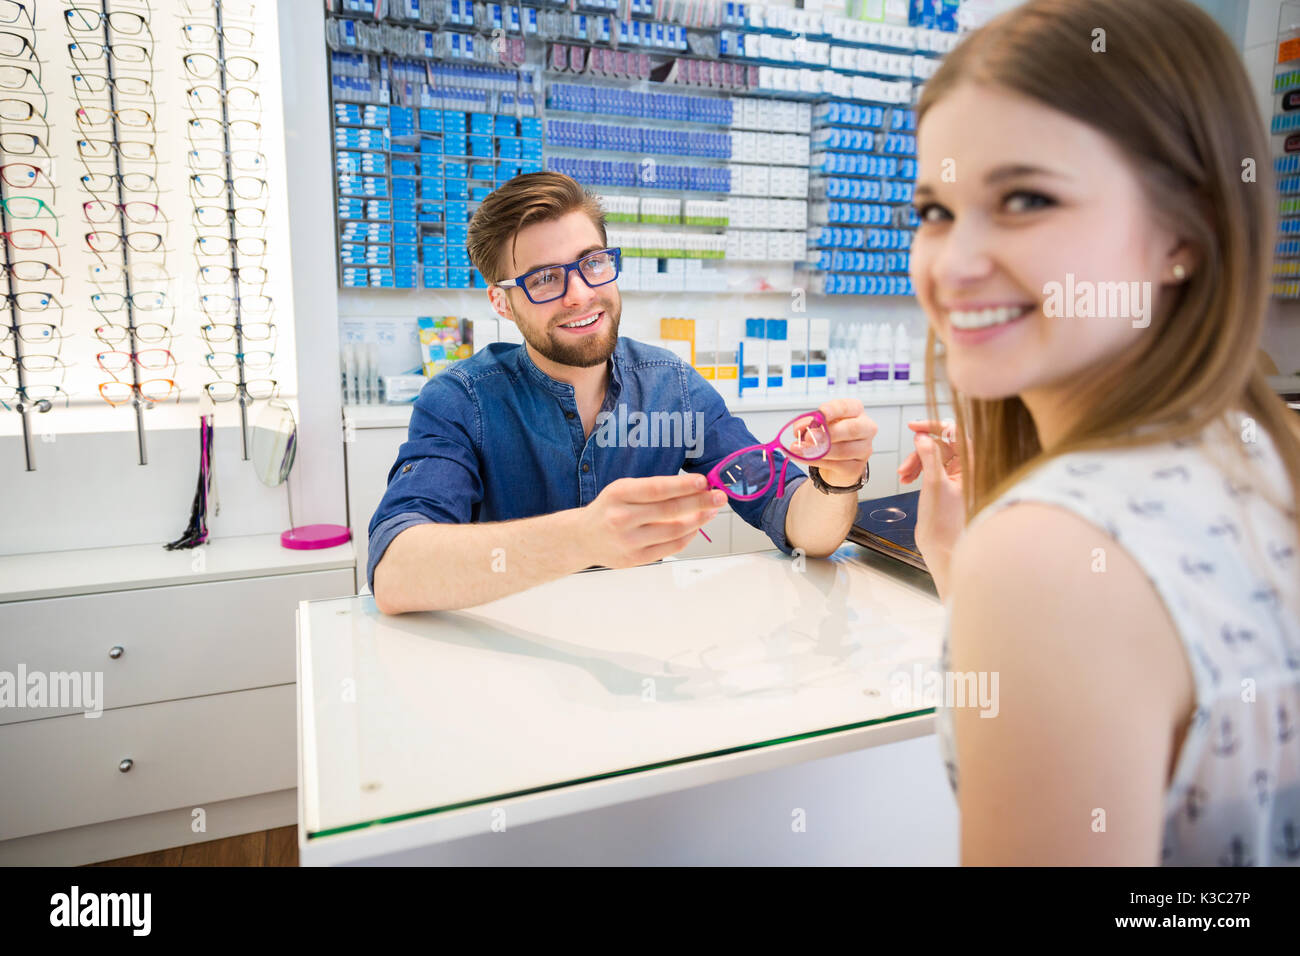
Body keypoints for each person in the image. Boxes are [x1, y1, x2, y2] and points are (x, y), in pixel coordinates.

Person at [895, 0, 1300, 865]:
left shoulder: (1049, 554)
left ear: (1183, 232)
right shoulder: (1262, 452)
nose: (954, 264)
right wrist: (966, 568)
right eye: (934, 210)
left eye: (1027, 199)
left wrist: (1015, 563)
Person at [369, 171, 879, 614]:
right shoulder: (461, 401)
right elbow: (395, 572)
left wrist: (836, 480)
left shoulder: (670, 385)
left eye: (591, 263)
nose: (580, 294)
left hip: (639, 659)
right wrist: (582, 536)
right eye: (545, 278)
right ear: (501, 302)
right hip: (507, 667)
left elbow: (797, 524)